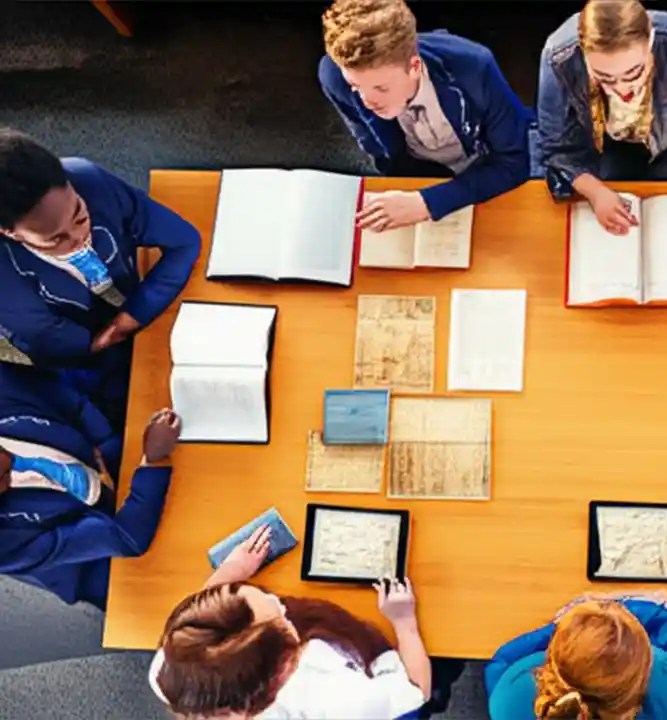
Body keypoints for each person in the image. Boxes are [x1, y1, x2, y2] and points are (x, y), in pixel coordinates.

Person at [0, 128, 201, 426]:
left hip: (118, 311)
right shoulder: (7, 283)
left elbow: (184, 242)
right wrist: (106, 343)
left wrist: (133, 316)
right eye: (57, 239)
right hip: (74, 359)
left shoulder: (89, 179)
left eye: (80, 216)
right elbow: (62, 345)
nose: (81, 239)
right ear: (9, 232)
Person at [149, 528, 458, 719]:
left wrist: (228, 575)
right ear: (284, 668)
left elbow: (207, 634)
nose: (277, 602)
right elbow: (416, 690)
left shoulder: (173, 670)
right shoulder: (341, 701)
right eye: (280, 617)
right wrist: (404, 622)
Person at [318, 0, 532, 231]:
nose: (367, 101)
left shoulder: (474, 68)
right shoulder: (334, 76)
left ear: (414, 67)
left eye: (382, 88)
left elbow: (514, 163)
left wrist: (427, 202)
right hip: (421, 171)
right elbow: (377, 148)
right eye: (356, 86)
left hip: (486, 161)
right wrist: (411, 191)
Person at [538, 0, 667, 235]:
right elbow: (557, 146)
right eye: (604, 77)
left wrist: (663, 200)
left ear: (651, 41)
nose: (622, 90)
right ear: (584, 54)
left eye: (633, 72)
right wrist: (595, 192)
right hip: (596, 141)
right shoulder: (559, 57)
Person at [0, 406, 181, 610]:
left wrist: (111, 446)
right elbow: (126, 538)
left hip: (111, 468)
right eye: (4, 476)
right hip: (106, 564)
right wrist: (153, 461)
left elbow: (72, 404)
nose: (14, 467)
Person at [485, 591, 667, 719]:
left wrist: (559, 629)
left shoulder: (510, 695)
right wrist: (635, 611)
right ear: (644, 665)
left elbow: (501, 661)